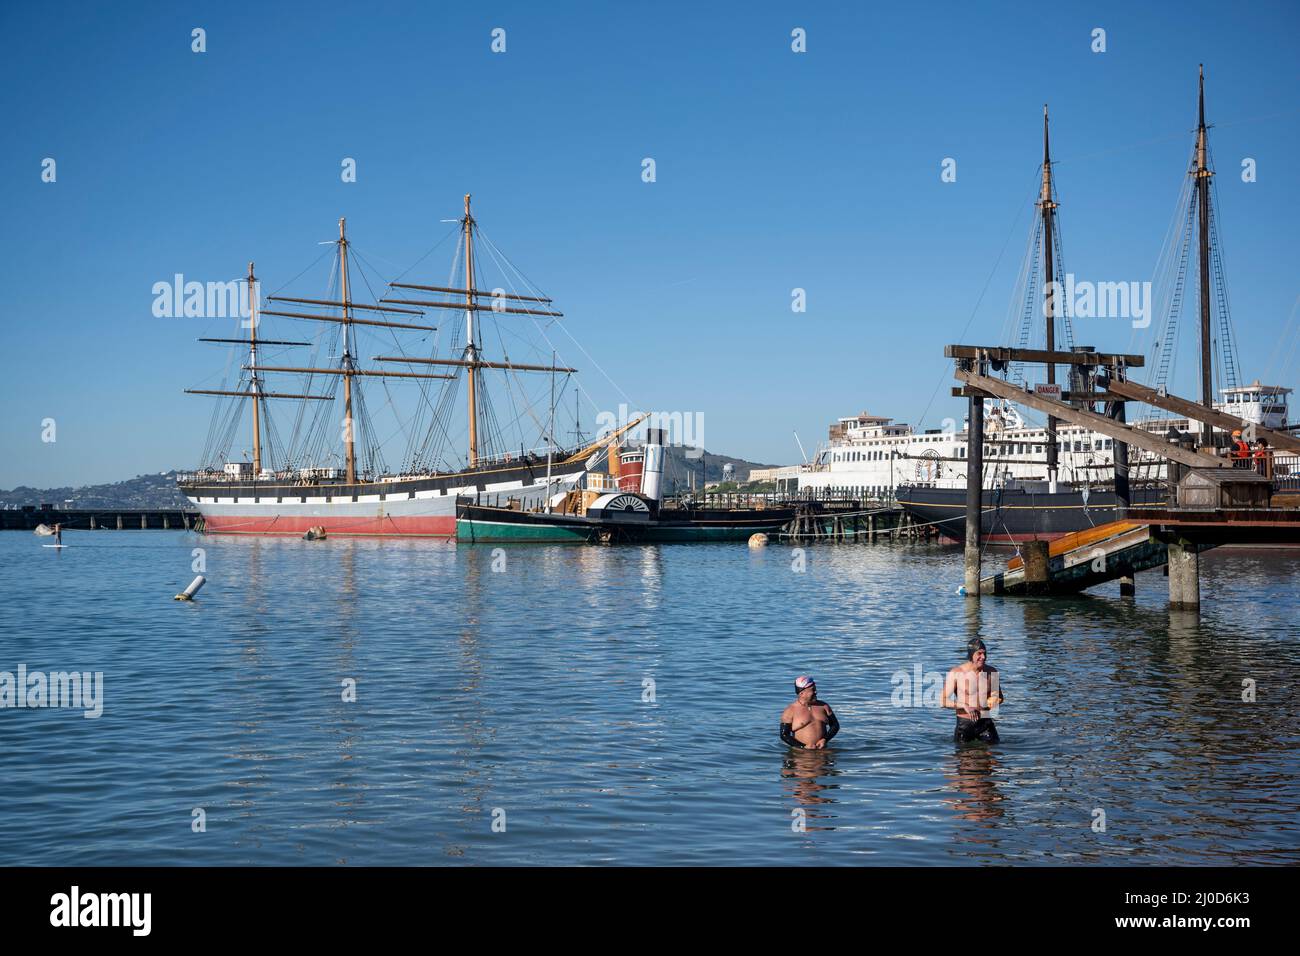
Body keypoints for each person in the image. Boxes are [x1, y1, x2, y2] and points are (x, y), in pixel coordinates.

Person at [943, 639, 1002, 744]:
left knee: (994, 752)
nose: (983, 657)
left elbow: (999, 696)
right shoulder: (956, 673)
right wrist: (964, 706)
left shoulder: (992, 672)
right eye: (979, 653)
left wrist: (994, 699)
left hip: (985, 723)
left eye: (984, 653)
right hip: (965, 724)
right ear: (971, 654)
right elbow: (943, 701)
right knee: (964, 754)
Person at [780, 676, 839, 749]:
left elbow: (835, 725)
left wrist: (825, 739)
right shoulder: (790, 710)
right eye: (813, 690)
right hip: (801, 753)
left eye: (815, 689)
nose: (816, 692)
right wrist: (803, 746)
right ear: (801, 693)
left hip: (823, 751)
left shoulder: (824, 706)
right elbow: (784, 735)